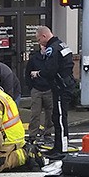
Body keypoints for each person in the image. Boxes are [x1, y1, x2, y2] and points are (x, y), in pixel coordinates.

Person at [34, 26, 77, 161]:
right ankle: (58, 147)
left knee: (59, 118)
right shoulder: (62, 45)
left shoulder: (52, 49)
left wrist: (38, 73)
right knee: (57, 116)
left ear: (44, 36)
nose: (39, 43)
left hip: (60, 88)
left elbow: (50, 70)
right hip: (66, 84)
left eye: (39, 39)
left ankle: (62, 149)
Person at [24, 43, 54, 145]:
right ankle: (32, 134)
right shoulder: (34, 59)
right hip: (37, 89)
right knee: (35, 113)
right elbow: (27, 73)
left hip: (49, 89)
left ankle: (48, 133)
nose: (44, 48)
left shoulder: (51, 58)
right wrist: (31, 87)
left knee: (49, 113)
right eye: (43, 45)